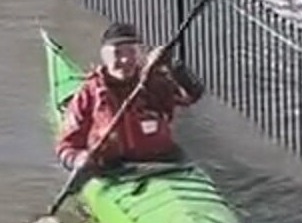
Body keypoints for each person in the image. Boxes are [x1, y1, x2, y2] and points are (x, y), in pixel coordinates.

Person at [54, 21, 205, 178]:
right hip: (111, 169)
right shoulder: (89, 94)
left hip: (162, 163)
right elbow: (66, 146)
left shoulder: (154, 82)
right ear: (104, 57)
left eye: (131, 52)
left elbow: (192, 95)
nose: (125, 60)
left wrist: (173, 66)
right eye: (117, 53)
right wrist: (77, 159)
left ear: (139, 55)